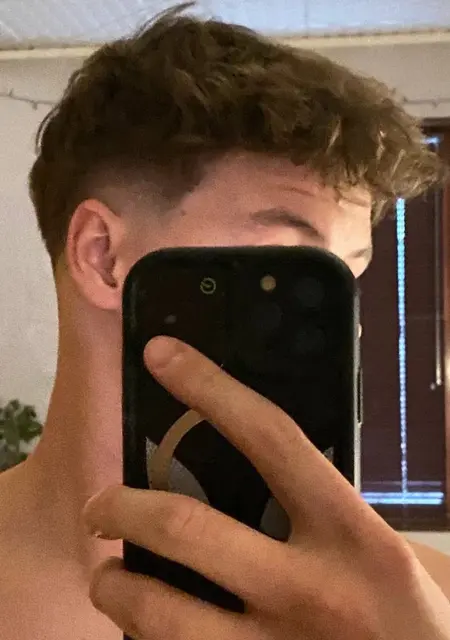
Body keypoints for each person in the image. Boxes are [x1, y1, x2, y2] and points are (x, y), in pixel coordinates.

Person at [1, 4, 450, 639]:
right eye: (290, 268)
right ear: (103, 257)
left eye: (348, 279)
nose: (346, 332)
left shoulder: (420, 609)